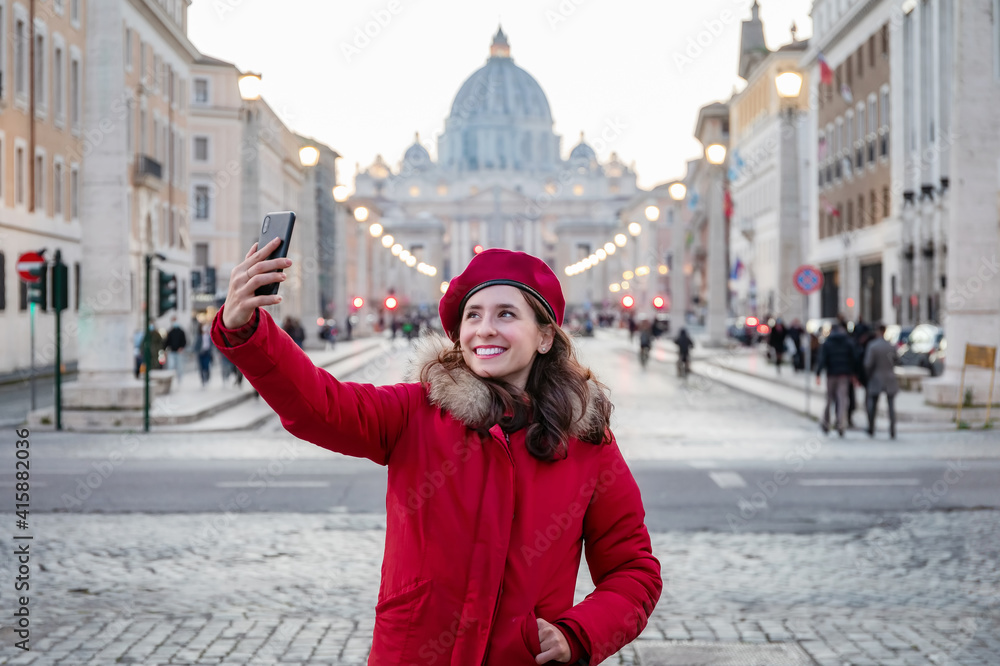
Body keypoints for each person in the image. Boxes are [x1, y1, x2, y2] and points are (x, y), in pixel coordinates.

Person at [212, 241, 662, 664]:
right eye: (473, 315)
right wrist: (247, 331)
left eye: (506, 314)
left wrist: (575, 634)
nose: (485, 328)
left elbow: (633, 569)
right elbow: (320, 405)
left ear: (545, 336)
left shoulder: (587, 442)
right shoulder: (414, 412)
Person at [815, 323, 857, 437]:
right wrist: (853, 374)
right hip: (844, 375)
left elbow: (822, 359)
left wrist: (818, 373)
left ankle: (826, 423)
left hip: (831, 374)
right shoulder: (848, 342)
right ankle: (841, 424)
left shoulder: (828, 342)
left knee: (829, 399)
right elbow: (854, 358)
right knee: (842, 400)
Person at [864, 323, 899, 439]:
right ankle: (892, 429)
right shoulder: (891, 346)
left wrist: (868, 376)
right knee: (891, 406)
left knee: (872, 404)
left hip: (876, 377)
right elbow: (897, 360)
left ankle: (871, 427)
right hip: (889, 377)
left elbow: (868, 364)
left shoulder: (873, 346)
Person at [164, 316, 188, 385]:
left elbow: (184, 341)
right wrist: (166, 349)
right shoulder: (170, 331)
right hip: (172, 352)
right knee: (171, 366)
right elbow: (167, 342)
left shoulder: (181, 331)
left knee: (180, 367)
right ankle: (170, 380)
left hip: (179, 352)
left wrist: (181, 347)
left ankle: (180, 380)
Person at [193, 322, 213, 386]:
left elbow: (211, 345)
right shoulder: (199, 336)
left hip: (207, 353)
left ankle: (207, 378)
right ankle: (202, 380)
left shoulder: (209, 336)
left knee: (206, 366)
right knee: (201, 367)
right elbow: (196, 345)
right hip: (200, 353)